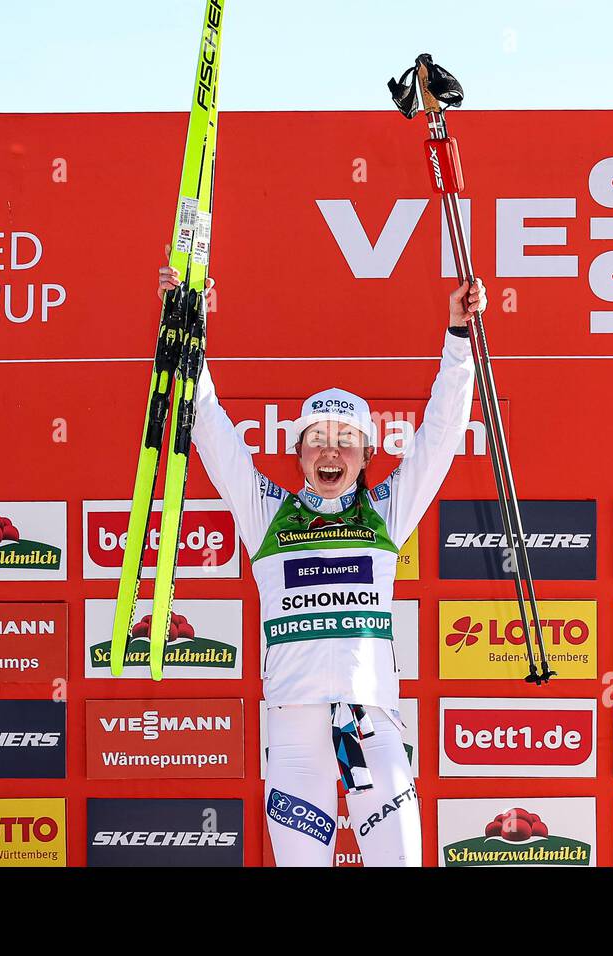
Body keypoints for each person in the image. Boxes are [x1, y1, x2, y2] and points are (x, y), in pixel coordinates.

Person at [159, 259, 481, 866]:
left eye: (345, 440)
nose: (330, 450)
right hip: (295, 730)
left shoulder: (386, 513)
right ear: (299, 451)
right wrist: (188, 325)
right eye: (317, 438)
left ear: (365, 454)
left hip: (369, 722)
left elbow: (441, 434)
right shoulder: (266, 513)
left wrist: (458, 338)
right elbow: (211, 428)